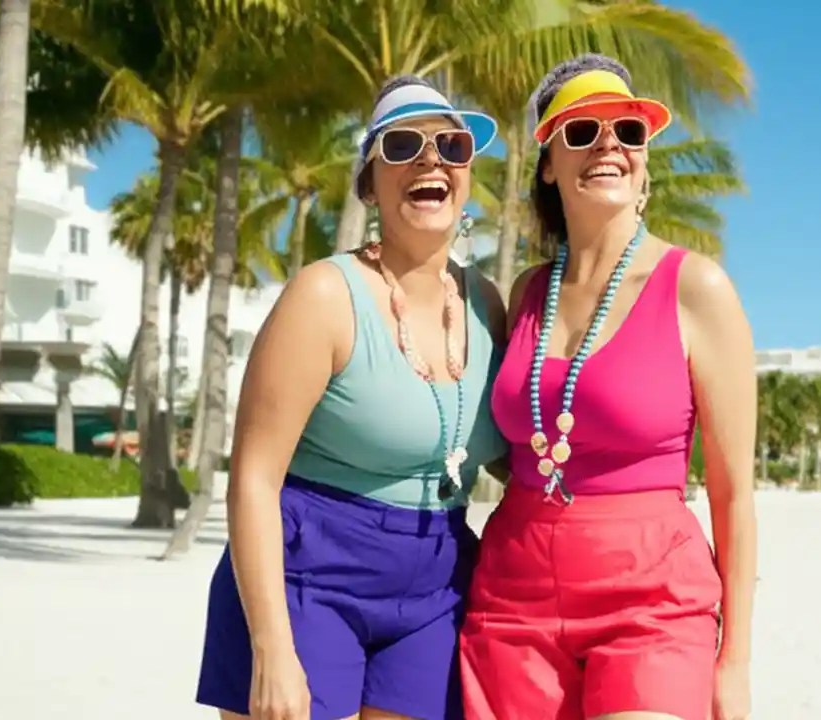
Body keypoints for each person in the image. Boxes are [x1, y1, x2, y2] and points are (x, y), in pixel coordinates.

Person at [195, 76, 507, 720]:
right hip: (307, 572)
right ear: (369, 183)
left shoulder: (487, 305)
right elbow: (253, 477)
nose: (430, 160)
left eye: (450, 145)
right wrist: (272, 647)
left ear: (468, 176)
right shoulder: (324, 296)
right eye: (402, 146)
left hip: (436, 579)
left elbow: (492, 450)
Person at [460, 54, 758, 720]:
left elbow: (734, 492)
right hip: (514, 599)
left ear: (644, 157)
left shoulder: (696, 289)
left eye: (627, 131)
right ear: (547, 161)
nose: (608, 147)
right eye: (582, 131)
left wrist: (733, 662)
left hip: (651, 600)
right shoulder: (527, 291)